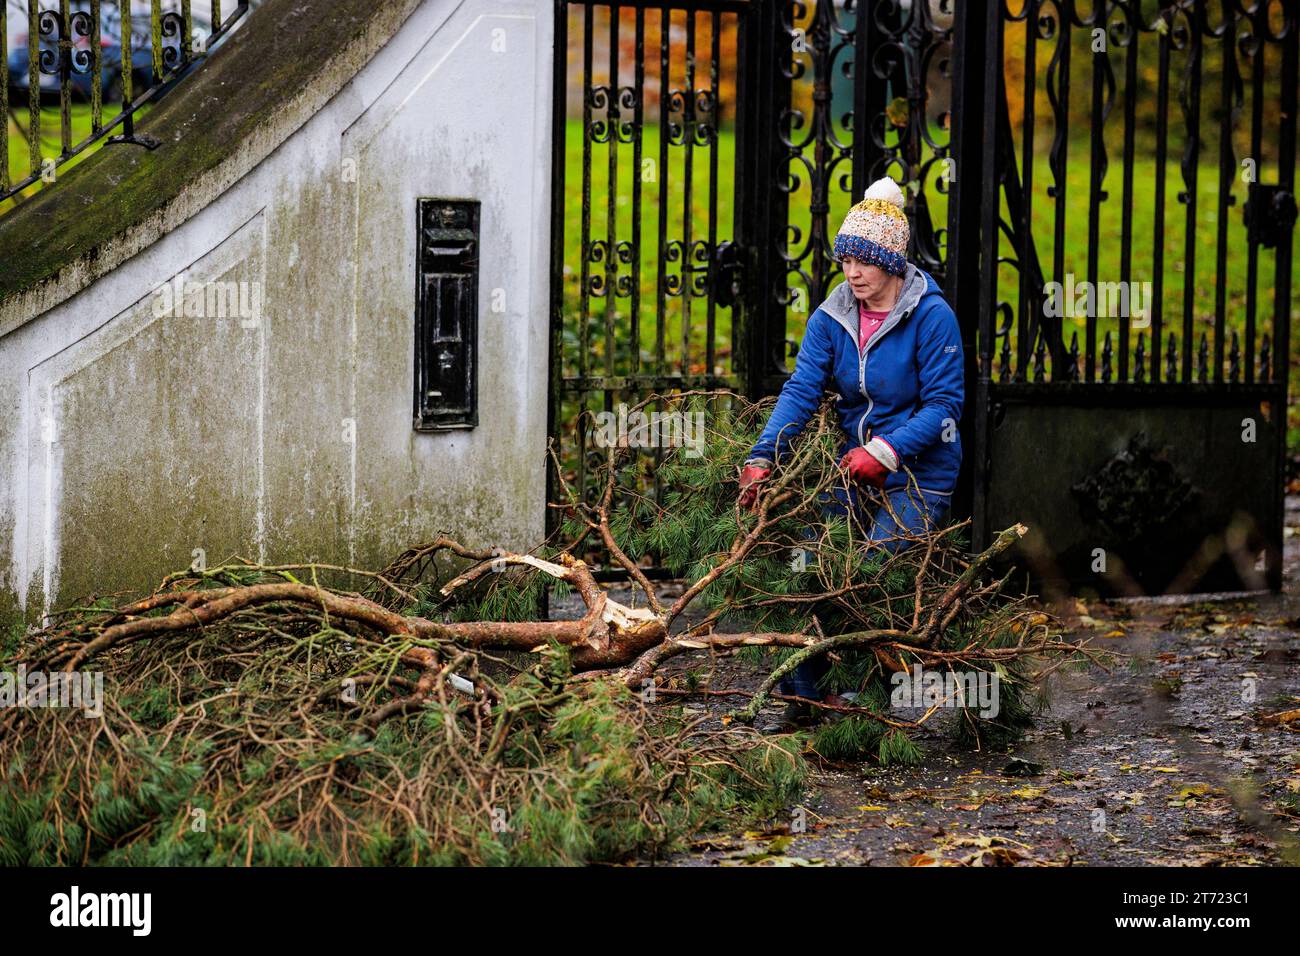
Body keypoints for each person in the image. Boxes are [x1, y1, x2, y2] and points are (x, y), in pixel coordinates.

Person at [736, 175, 965, 730]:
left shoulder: (931, 317)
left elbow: (944, 408)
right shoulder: (832, 317)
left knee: (869, 577)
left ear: (891, 261)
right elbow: (800, 390)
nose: (853, 273)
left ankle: (862, 703)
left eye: (864, 261)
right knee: (816, 566)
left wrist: (884, 451)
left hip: (920, 474)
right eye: (845, 261)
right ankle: (807, 691)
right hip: (850, 469)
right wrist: (762, 455)